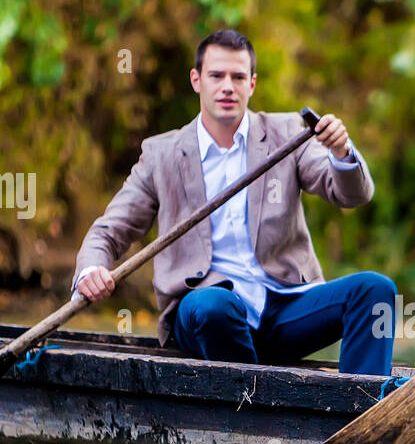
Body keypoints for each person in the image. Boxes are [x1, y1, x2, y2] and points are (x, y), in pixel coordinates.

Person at [72, 28, 395, 375]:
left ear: (252, 84)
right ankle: (251, 412)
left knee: (376, 290)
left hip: (284, 308)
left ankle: (363, 414)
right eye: (216, 75)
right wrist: (91, 270)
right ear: (196, 80)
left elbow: (352, 195)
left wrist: (341, 151)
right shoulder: (162, 154)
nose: (228, 86)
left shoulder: (287, 134)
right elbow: (109, 231)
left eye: (238, 76)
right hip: (206, 314)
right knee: (215, 306)